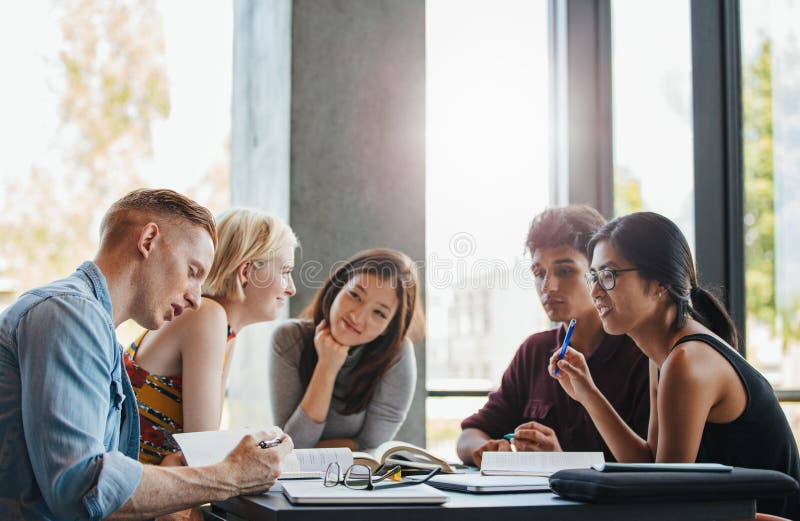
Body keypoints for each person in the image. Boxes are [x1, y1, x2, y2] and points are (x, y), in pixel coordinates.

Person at [0, 189, 292, 520]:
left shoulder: (92, 325)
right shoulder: (70, 314)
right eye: (193, 272)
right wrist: (232, 476)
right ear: (149, 240)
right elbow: (83, 489)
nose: (197, 299)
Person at [549, 211, 800, 519]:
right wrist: (588, 392)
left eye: (610, 275)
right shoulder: (665, 358)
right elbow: (652, 465)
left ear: (660, 283)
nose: (596, 291)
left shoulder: (687, 360)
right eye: (594, 276)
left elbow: (664, 498)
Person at [457, 205, 650, 466]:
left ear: (600, 271)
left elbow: (650, 466)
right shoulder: (535, 351)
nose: (547, 287)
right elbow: (469, 435)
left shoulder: (641, 354)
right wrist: (486, 450)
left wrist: (561, 462)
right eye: (539, 273)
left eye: (565, 270)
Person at [125, 207, 298, 464]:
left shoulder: (224, 329)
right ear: (246, 272)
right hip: (139, 492)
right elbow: (202, 450)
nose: (291, 289)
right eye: (285, 271)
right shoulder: (206, 315)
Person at [270, 248, 423, 450]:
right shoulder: (289, 339)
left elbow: (370, 446)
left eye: (379, 313)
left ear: (389, 327)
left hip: (358, 477)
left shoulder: (397, 354)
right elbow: (292, 445)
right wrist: (327, 366)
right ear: (338, 289)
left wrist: (312, 448)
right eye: (355, 295)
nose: (357, 317)